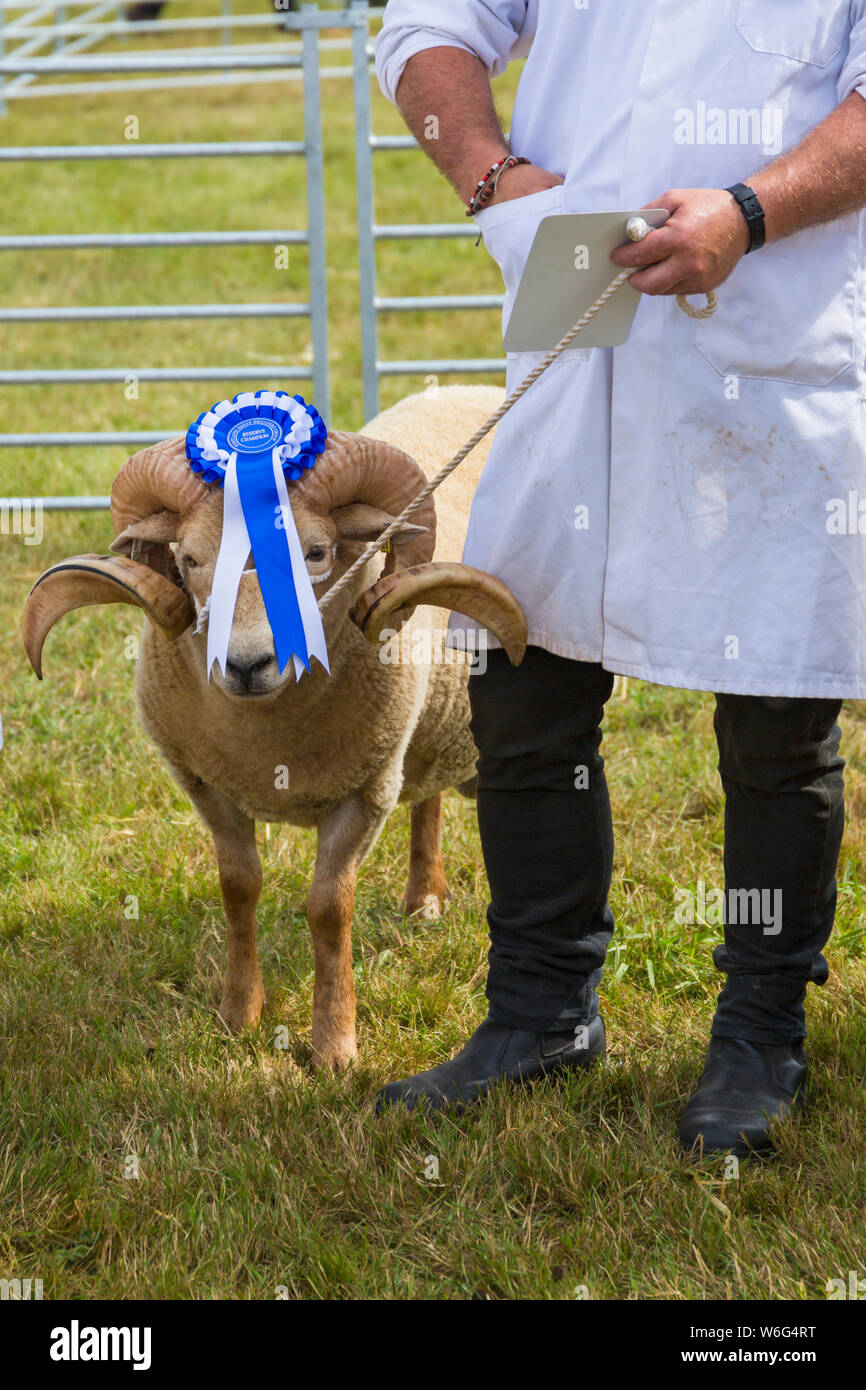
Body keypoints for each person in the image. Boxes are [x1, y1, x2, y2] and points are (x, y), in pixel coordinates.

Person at [372, 1, 866, 1158]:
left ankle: (757, 1034)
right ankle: (540, 1012)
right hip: (574, 312)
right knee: (521, 670)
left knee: (774, 712)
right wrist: (494, 179)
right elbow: (426, 28)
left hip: (771, 331)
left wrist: (749, 212)